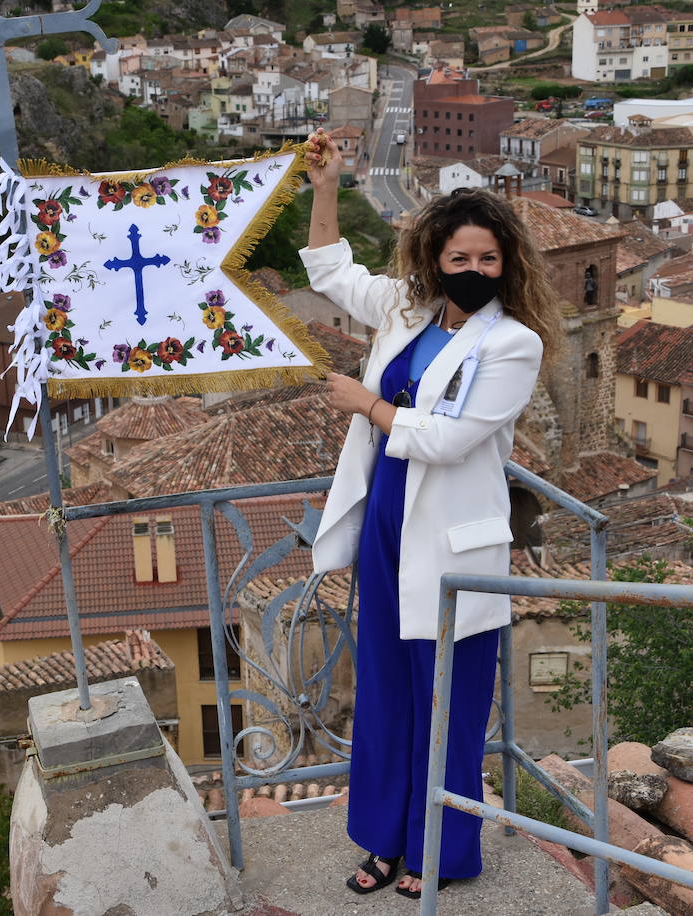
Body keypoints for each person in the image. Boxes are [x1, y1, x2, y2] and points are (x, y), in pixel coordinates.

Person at [298, 127, 562, 898]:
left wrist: (367, 403)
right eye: (459, 258)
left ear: (506, 264)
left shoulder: (513, 344)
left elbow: (447, 440)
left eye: (488, 259)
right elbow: (330, 270)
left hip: (452, 545)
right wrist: (325, 187)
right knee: (385, 692)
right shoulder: (406, 311)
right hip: (387, 524)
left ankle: (438, 850)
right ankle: (385, 841)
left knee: (446, 701)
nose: (474, 270)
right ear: (434, 260)